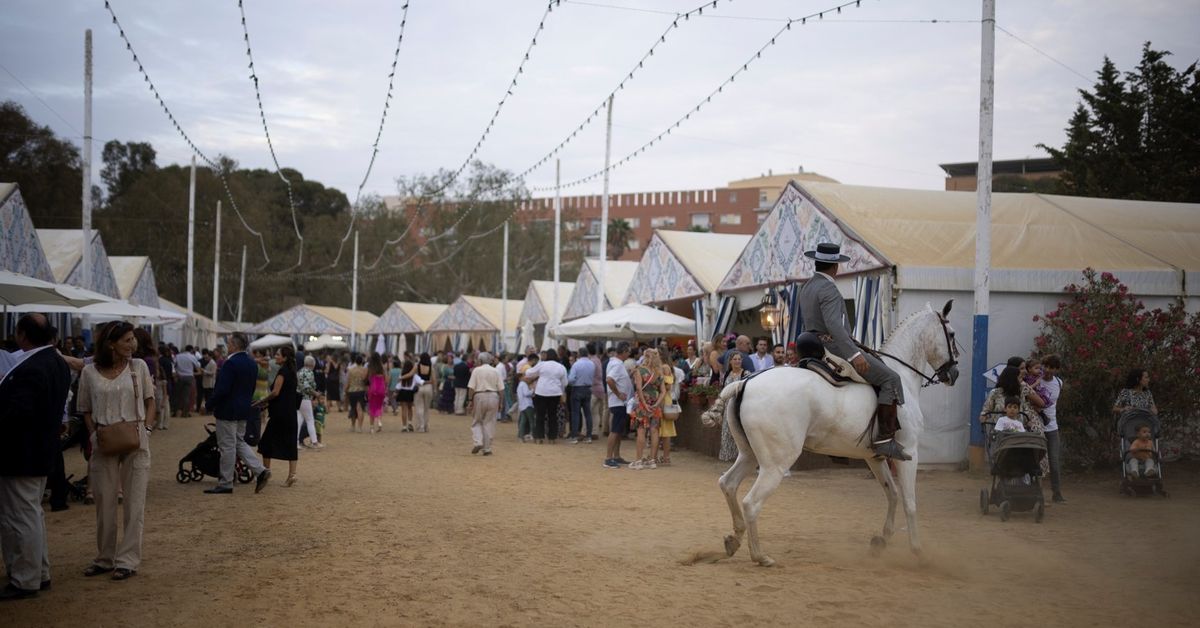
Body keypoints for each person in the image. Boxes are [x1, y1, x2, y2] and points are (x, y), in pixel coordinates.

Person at [798, 242, 908, 460]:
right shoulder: (828, 287)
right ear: (835, 266)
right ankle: (886, 440)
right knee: (890, 378)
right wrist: (854, 354)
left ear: (817, 263)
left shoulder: (807, 286)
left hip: (813, 345)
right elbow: (834, 326)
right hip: (834, 348)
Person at [77, 321, 156, 582]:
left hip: (136, 440)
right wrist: (92, 433)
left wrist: (147, 429)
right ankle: (104, 557)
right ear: (111, 343)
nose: (132, 345)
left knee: (135, 503)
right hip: (104, 441)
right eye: (127, 340)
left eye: (133, 339)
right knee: (104, 503)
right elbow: (85, 408)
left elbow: (150, 400)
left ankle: (128, 560)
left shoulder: (139, 367)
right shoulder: (89, 372)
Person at [0, 314, 71, 600]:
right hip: (38, 452)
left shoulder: (32, 367)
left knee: (20, 517)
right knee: (31, 515)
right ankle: (37, 573)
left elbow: (18, 412)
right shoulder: (56, 362)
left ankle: (26, 578)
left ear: (22, 335)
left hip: (21, 454)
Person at [205, 333, 270, 495]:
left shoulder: (230, 364)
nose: (227, 346)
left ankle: (226, 482)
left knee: (227, 446)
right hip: (243, 409)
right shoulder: (251, 363)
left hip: (227, 409)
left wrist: (210, 403)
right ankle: (260, 470)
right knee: (239, 442)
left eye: (228, 343)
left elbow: (222, 389)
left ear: (234, 345)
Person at [256, 346, 300, 486]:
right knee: (290, 442)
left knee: (266, 442)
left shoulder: (282, 372)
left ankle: (266, 472)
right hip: (291, 413)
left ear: (285, 357)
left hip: (279, 413)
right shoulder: (293, 372)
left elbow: (276, 392)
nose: (275, 356)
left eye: (278, 354)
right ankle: (292, 475)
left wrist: (262, 401)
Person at [525, 348, 568, 444]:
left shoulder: (542, 364)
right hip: (555, 393)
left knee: (540, 415)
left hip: (541, 392)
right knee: (553, 415)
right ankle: (552, 438)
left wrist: (537, 374)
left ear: (547, 356)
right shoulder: (561, 367)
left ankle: (539, 437)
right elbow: (565, 383)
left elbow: (528, 373)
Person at [1040, 354, 1067, 503]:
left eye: (1051, 367)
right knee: (1036, 461)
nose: (1047, 370)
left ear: (1057, 369)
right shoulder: (1036, 381)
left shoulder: (1058, 382)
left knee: (1054, 462)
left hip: (1052, 427)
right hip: (1038, 426)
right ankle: (1036, 492)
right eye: (1046, 366)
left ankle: (1056, 493)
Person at [603, 343, 634, 469]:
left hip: (620, 402)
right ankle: (608, 458)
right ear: (624, 351)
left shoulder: (615, 363)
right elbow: (610, 379)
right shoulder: (617, 364)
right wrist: (618, 393)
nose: (629, 354)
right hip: (618, 402)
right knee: (615, 430)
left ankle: (616, 456)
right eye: (628, 352)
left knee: (618, 430)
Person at [466, 352, 503, 455]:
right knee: (489, 422)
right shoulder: (496, 371)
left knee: (477, 421)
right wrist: (501, 402)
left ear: (480, 361)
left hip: (479, 396)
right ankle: (487, 448)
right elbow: (501, 389)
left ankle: (478, 441)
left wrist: (470, 400)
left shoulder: (476, 370)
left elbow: (471, 387)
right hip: (494, 396)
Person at [719, 352, 752, 462]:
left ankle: (742, 462)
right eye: (735, 359)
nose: (737, 361)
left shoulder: (746, 373)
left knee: (740, 436)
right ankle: (731, 462)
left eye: (739, 359)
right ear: (730, 361)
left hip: (740, 409)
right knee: (727, 435)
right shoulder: (727, 374)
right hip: (727, 409)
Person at [657, 347, 682, 466]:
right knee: (658, 430)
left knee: (665, 431)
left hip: (665, 400)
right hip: (662, 399)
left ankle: (666, 457)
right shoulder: (662, 367)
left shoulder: (665, 368)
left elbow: (667, 387)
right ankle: (659, 456)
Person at [567, 345, 596, 444]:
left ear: (579, 354)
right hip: (588, 389)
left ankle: (574, 436)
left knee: (576, 413)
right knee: (588, 413)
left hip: (577, 388)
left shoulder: (576, 364)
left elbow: (571, 379)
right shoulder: (592, 364)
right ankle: (588, 436)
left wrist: (572, 383)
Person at [297, 355, 322, 449]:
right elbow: (307, 387)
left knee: (299, 420)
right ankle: (314, 442)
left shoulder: (300, 371)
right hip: (305, 398)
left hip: (298, 397)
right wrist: (316, 393)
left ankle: (296, 442)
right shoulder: (309, 372)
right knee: (310, 420)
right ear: (312, 364)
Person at [173, 344, 200, 418]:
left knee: (178, 395)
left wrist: (176, 373)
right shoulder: (192, 357)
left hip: (180, 376)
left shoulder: (178, 356)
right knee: (187, 396)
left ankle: (176, 412)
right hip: (189, 377)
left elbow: (173, 365)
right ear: (191, 350)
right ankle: (185, 413)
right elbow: (198, 367)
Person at [346, 354, 368, 432]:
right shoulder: (365, 370)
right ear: (362, 362)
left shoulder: (350, 370)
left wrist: (345, 390)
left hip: (352, 391)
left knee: (353, 408)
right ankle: (360, 427)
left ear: (355, 361)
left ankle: (352, 426)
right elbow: (366, 381)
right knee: (360, 409)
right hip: (361, 390)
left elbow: (348, 381)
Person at [366, 353, 387, 434]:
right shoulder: (382, 368)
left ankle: (371, 428)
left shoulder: (370, 368)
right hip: (381, 389)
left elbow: (368, 379)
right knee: (379, 406)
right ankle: (379, 421)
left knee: (372, 407)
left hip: (373, 389)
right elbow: (386, 379)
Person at [516, 357, 536, 442]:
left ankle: (521, 437)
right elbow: (526, 394)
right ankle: (534, 436)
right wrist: (532, 390)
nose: (527, 378)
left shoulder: (520, 385)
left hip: (522, 406)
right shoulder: (523, 384)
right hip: (527, 405)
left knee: (523, 422)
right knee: (532, 421)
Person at [414, 353, 435, 433]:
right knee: (426, 408)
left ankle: (421, 426)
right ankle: (426, 425)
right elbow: (433, 380)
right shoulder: (431, 368)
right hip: (428, 387)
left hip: (419, 387)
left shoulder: (417, 367)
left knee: (419, 407)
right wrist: (435, 389)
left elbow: (413, 375)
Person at [396, 355, 417, 432]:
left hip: (402, 391)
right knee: (410, 408)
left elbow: (398, 384)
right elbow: (417, 383)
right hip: (410, 392)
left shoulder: (402, 374)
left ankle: (404, 426)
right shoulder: (413, 375)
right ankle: (410, 423)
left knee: (403, 410)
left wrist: (396, 391)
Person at [155, 345, 174, 429]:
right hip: (168, 381)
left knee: (162, 405)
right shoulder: (169, 361)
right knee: (166, 404)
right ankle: (166, 423)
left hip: (161, 381)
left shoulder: (160, 361)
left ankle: (161, 423)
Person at [200, 349, 218, 414]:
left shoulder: (213, 363)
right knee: (207, 397)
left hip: (210, 383)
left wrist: (203, 371)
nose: (206, 358)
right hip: (207, 382)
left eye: (207, 357)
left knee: (209, 397)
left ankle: (210, 410)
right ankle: (208, 410)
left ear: (210, 357)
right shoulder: (209, 363)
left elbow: (212, 373)